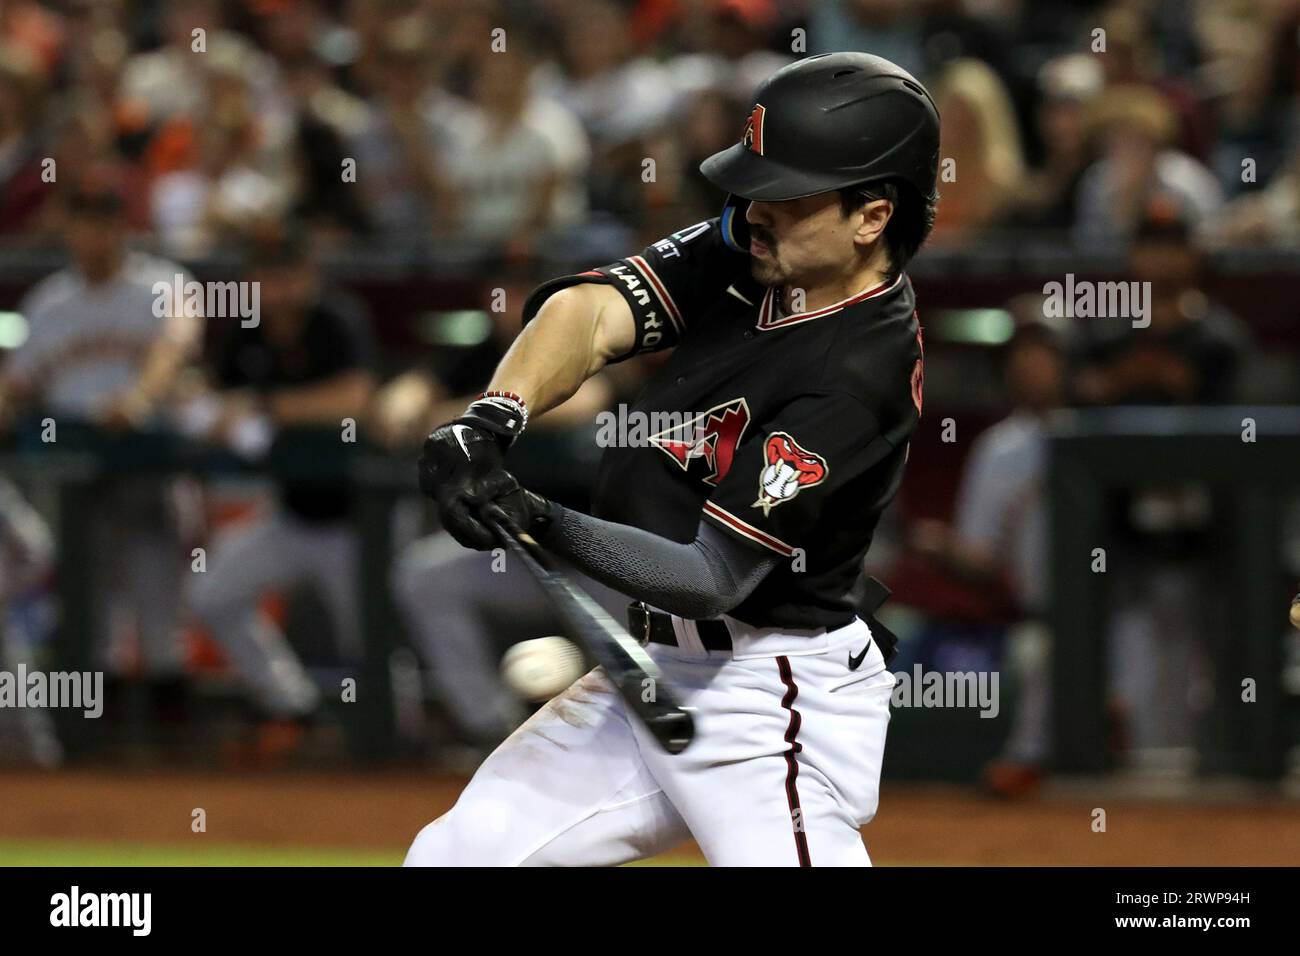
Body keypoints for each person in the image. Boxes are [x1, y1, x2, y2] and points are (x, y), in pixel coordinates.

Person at [406, 52, 938, 867]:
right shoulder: (759, 247)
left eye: (786, 197)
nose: (751, 213)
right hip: (651, 668)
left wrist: (535, 514)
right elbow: (591, 313)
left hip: (771, 696)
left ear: (871, 216)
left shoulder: (854, 376)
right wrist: (491, 420)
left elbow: (709, 575)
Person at [0, 179, 200, 715]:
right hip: (75, 465)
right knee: (89, 591)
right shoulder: (50, 300)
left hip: (149, 461)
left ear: (122, 228)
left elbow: (177, 344)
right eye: (81, 223)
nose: (91, 236)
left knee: (158, 585)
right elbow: (15, 387)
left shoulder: (162, 282)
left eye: (102, 224)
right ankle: (99, 722)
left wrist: (138, 396)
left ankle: (169, 706)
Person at [188, 232, 376, 765]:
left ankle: (396, 733)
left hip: (357, 519)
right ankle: (289, 703)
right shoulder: (247, 331)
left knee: (371, 634)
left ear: (309, 274)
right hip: (290, 515)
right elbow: (211, 396)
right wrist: (212, 411)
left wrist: (264, 406)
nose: (279, 288)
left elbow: (354, 400)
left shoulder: (336, 319)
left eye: (289, 274)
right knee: (212, 595)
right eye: (267, 276)